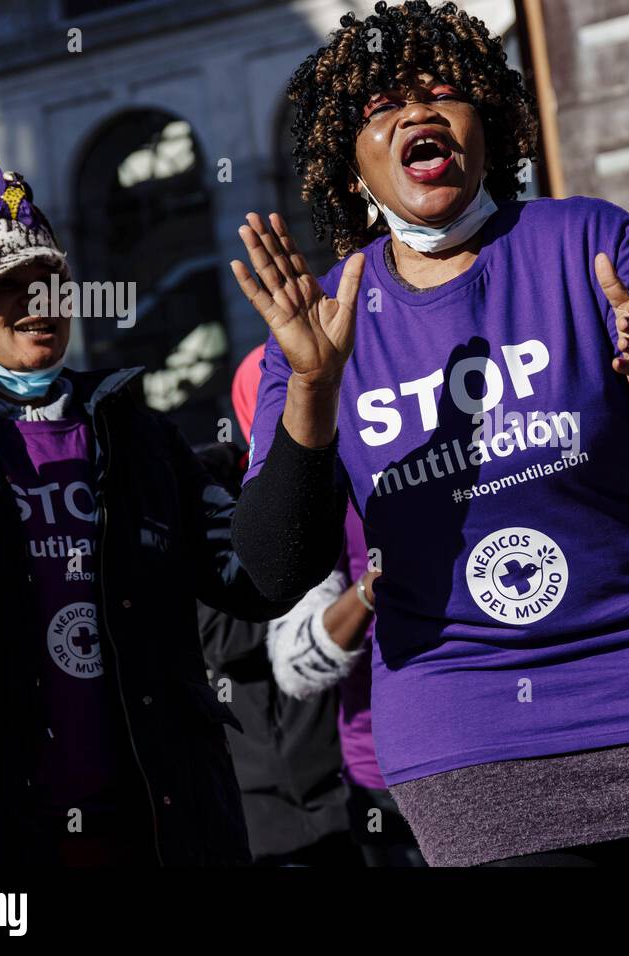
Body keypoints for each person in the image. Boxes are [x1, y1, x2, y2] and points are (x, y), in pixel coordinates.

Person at [231, 0, 629, 867]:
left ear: (488, 123)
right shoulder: (324, 321)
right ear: (351, 165)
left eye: (444, 92)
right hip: (467, 720)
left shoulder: (587, 238)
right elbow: (272, 567)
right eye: (382, 107)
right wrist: (311, 389)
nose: (417, 112)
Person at [0, 153, 284, 866]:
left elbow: (254, 578)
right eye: (10, 287)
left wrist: (308, 412)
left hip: (156, 833)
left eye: (52, 282)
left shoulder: (140, 434)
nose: (41, 303)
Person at [230, 344, 423, 866]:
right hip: (386, 776)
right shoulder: (308, 500)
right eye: (287, 396)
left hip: (515, 743)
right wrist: (369, 591)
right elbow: (294, 664)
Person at [193, 431, 360, 868]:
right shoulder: (201, 497)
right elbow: (220, 639)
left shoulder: (324, 484)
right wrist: (288, 581)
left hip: (337, 767)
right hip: (260, 786)